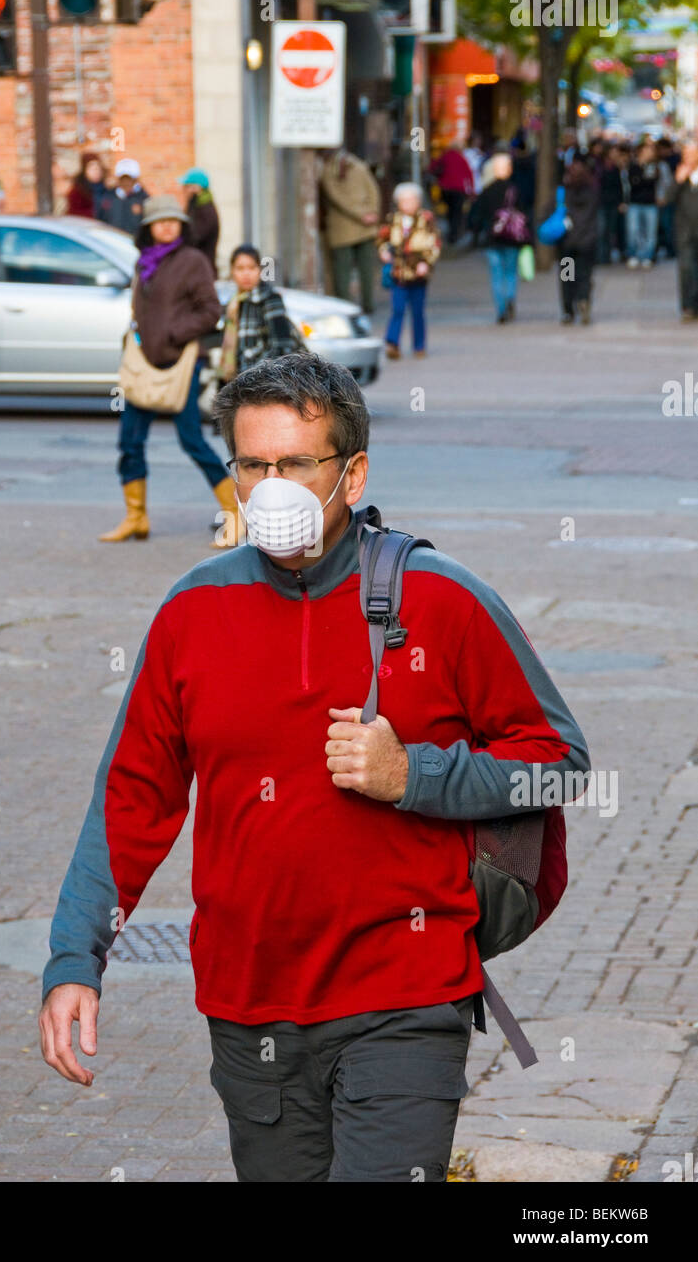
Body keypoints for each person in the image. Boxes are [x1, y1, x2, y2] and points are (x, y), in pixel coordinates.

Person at [39, 352, 590, 1183]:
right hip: (248, 1004)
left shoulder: (442, 600)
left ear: (352, 472)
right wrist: (75, 960)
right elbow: (132, 798)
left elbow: (559, 764)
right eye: (252, 466)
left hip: (404, 994)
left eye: (295, 464)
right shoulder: (193, 609)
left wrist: (415, 774)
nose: (272, 488)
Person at [97, 194, 237, 547]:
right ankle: (136, 517)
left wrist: (174, 333)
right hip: (143, 365)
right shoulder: (144, 262)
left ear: (182, 226)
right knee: (129, 442)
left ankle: (236, 515)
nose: (167, 226)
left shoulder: (193, 261)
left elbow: (210, 311)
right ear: (148, 228)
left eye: (173, 221)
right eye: (160, 221)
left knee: (191, 440)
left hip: (182, 364)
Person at [217, 245, 303, 382]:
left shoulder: (270, 299)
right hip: (239, 382)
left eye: (252, 268)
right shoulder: (234, 304)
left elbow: (283, 347)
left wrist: (263, 380)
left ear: (259, 270)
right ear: (232, 271)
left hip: (264, 383)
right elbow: (230, 350)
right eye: (240, 268)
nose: (246, 274)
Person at [377, 182, 441, 359]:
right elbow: (382, 240)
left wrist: (426, 263)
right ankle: (392, 343)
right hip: (398, 273)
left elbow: (434, 244)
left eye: (411, 200)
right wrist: (383, 252)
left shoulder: (426, 220)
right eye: (404, 201)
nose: (408, 204)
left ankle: (419, 346)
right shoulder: (392, 220)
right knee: (397, 309)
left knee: (418, 311)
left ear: (418, 201)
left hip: (418, 275)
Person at [319, 148, 381, 314]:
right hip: (363, 225)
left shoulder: (328, 171)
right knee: (363, 269)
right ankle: (366, 304)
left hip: (343, 228)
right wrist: (371, 213)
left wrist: (364, 215)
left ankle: (347, 306)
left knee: (343, 271)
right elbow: (373, 191)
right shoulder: (360, 166)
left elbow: (337, 197)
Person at [467, 153, 525, 323]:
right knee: (510, 272)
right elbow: (523, 214)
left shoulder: (486, 191)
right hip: (512, 238)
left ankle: (501, 308)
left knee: (496, 274)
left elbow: (476, 216)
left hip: (492, 239)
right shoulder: (515, 190)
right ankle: (509, 299)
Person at [557, 153, 600, 326]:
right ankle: (583, 299)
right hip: (586, 241)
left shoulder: (564, 192)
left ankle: (568, 310)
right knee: (584, 274)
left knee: (567, 277)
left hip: (568, 242)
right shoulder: (592, 191)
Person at [672, 140, 698, 322]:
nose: (687, 158)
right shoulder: (680, 175)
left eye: (691, 155)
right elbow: (665, 198)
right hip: (685, 232)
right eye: (685, 155)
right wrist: (678, 181)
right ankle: (688, 306)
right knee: (686, 269)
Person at [428, 139, 473, 244]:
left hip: (446, 189)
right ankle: (454, 234)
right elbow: (469, 174)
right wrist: (471, 190)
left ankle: (451, 233)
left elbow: (432, 167)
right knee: (457, 212)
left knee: (450, 211)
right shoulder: (461, 158)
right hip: (459, 190)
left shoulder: (446, 156)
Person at [625, 140, 661, 269]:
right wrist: (644, 179)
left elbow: (653, 181)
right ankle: (634, 254)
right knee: (633, 230)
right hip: (635, 202)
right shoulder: (633, 165)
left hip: (650, 203)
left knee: (650, 232)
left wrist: (642, 180)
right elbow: (634, 183)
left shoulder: (655, 166)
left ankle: (647, 256)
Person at [178, 167, 219, 270]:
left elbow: (193, 238)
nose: (183, 190)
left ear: (196, 188)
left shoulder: (205, 211)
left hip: (202, 269)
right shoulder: (197, 206)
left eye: (186, 186)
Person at [98, 157, 149, 237]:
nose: (126, 182)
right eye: (123, 178)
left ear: (136, 179)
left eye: (129, 179)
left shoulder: (144, 199)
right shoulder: (107, 198)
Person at [66, 152, 106, 219]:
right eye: (92, 169)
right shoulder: (77, 193)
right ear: (85, 170)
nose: (96, 171)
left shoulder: (107, 190)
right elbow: (74, 216)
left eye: (98, 168)